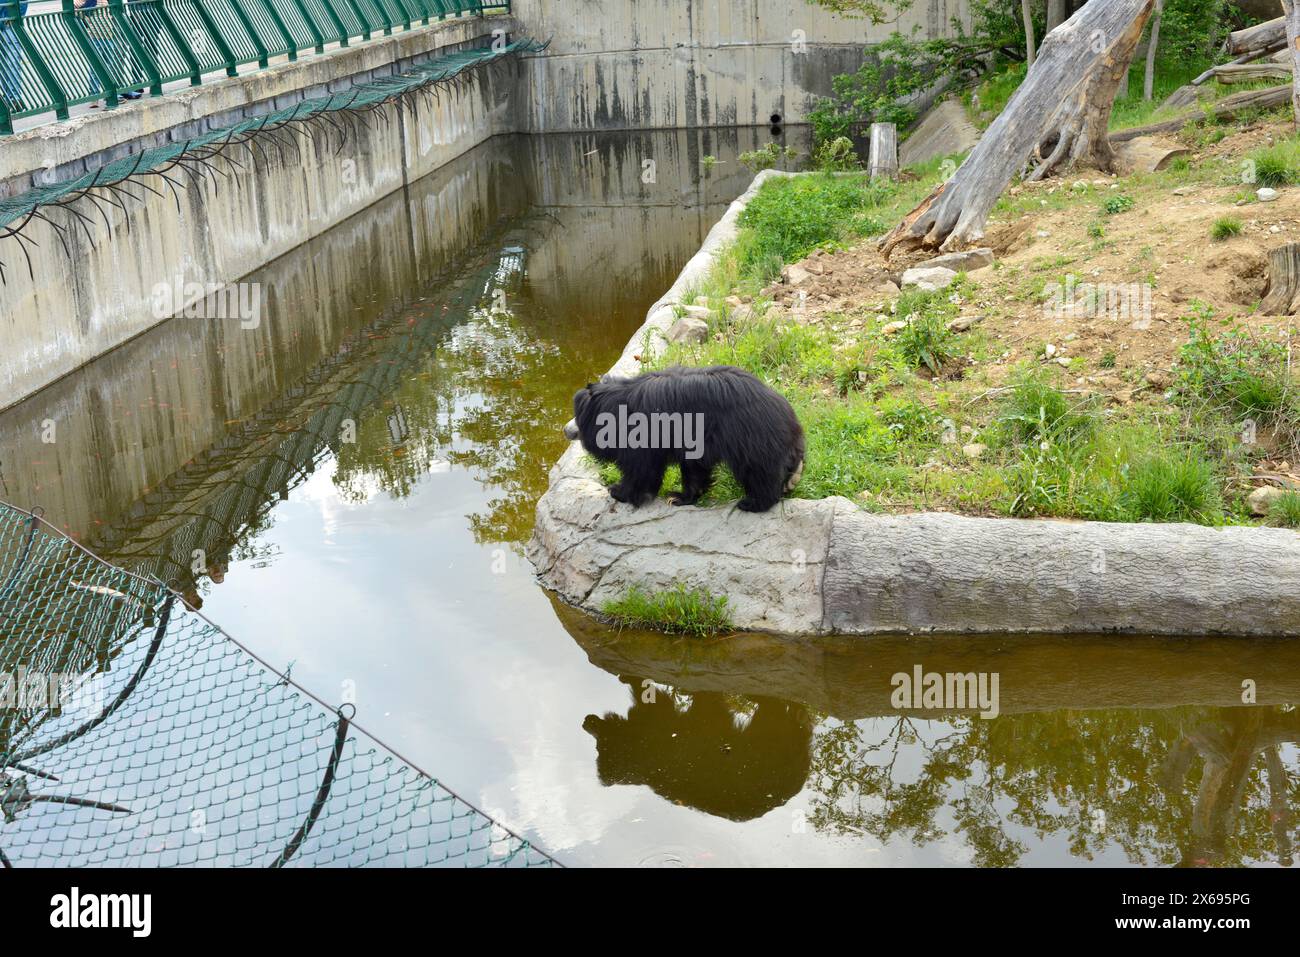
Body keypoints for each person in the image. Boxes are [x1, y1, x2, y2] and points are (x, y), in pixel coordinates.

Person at [74, 0, 141, 107]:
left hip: (108, 37)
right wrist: (77, 5)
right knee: (96, 66)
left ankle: (111, 93)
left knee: (110, 65)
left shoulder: (106, 1)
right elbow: (77, 11)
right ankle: (95, 96)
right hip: (94, 37)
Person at [0, 1, 28, 113]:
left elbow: (22, 2)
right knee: (4, 64)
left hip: (8, 23)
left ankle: (14, 98)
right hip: (7, 20)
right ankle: (10, 99)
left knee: (12, 60)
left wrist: (15, 16)